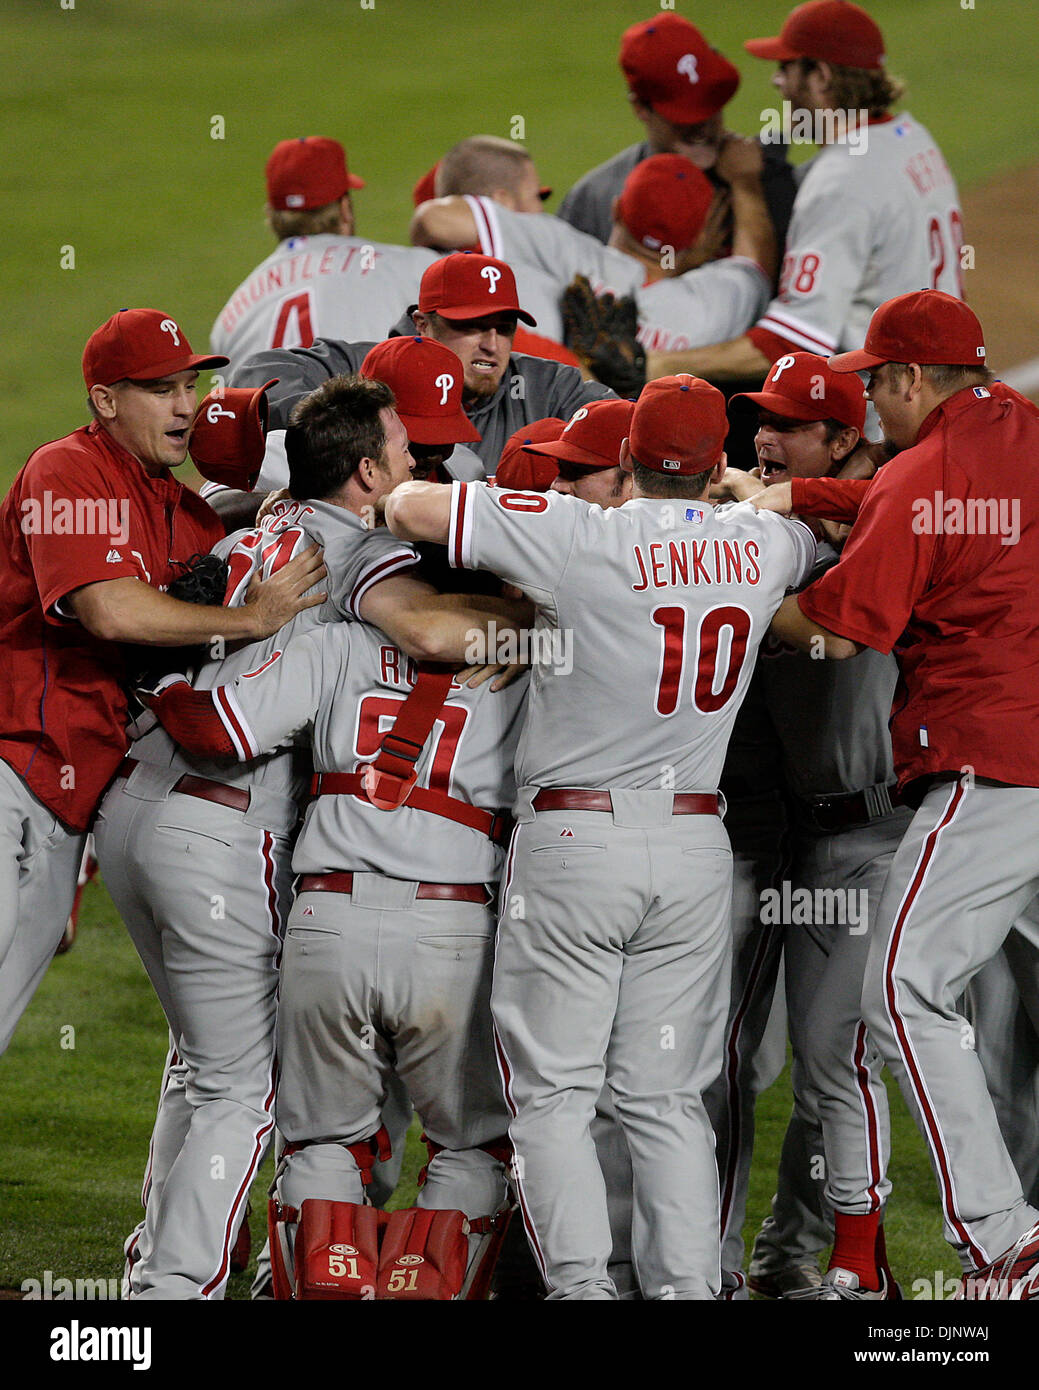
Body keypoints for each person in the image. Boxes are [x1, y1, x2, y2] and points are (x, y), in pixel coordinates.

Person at [382, 374, 818, 1299]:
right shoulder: (766, 542)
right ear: (711, 464)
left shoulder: (580, 534)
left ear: (624, 462)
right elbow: (827, 521)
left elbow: (407, 505)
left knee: (552, 1097)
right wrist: (748, 493)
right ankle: (687, 1291)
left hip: (575, 845)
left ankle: (581, 1291)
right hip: (697, 847)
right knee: (665, 1101)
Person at [107, 372, 530, 1298]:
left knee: (206, 1064)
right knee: (242, 1091)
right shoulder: (362, 558)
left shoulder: (252, 517)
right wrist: (545, 620)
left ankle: (171, 1263)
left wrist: (162, 683)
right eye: (408, 450)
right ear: (369, 475)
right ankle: (173, 1290)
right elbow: (423, 627)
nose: (425, 462)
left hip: (134, 808)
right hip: (226, 827)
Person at [758, 289, 1039, 1299]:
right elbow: (905, 495)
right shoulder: (1015, 429)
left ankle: (1002, 1244)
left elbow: (850, 619)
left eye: (875, 380)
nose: (868, 395)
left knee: (902, 991)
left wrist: (740, 594)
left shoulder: (921, 473)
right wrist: (797, 498)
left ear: (914, 379)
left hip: (999, 769)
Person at [0, 307, 324, 1057]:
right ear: (105, 400)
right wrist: (251, 619)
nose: (185, 406)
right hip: (12, 772)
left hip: (65, 810)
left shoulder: (185, 516)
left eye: (191, 386)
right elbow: (108, 610)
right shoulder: (66, 469)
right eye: (159, 389)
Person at [717, 353, 913, 1299]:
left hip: (885, 839)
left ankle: (855, 1267)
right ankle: (783, 1258)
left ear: (842, 441)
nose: (764, 437)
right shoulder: (755, 540)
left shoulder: (890, 536)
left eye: (790, 425)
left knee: (837, 1056)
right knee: (762, 1067)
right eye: (762, 419)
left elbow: (849, 614)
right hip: (790, 843)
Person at [644, 1, 964, 385]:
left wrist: (659, 364)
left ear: (822, 76)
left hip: (885, 413)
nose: (776, 82)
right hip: (939, 381)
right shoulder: (912, 138)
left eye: (785, 68)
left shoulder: (840, 180)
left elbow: (793, 339)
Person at [228, 253, 616, 477]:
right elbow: (257, 377)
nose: (491, 345)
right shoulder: (365, 369)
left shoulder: (546, 387)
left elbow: (623, 424)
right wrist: (355, 424)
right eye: (471, 327)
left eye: (503, 328)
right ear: (423, 324)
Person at [411, 143, 774, 357]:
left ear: (617, 208)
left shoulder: (566, 251)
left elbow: (434, 221)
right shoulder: (716, 300)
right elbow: (755, 263)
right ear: (704, 240)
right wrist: (745, 183)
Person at [556, 12, 796, 261]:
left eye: (709, 105)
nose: (702, 125)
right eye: (685, 114)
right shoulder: (594, 200)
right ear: (640, 108)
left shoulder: (772, 183)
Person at [210, 137, 438, 365]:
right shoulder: (417, 268)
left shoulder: (229, 322)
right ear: (345, 209)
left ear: (271, 216)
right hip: (373, 397)